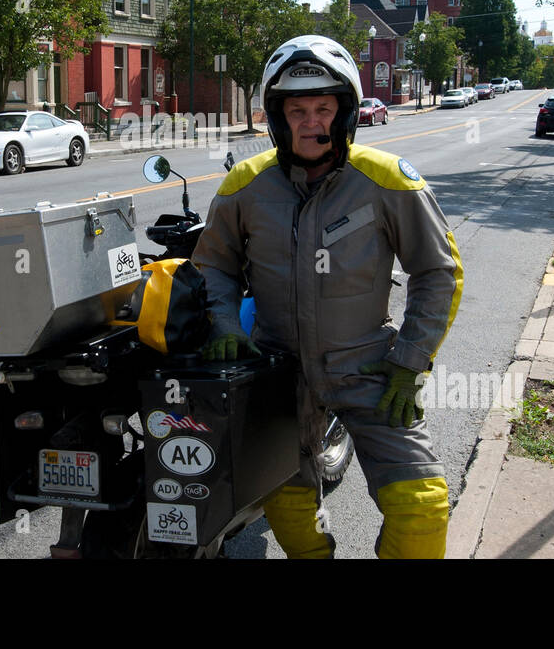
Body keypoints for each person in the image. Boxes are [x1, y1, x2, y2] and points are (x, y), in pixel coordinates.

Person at [192, 34, 464, 559]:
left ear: (345, 113)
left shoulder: (388, 181)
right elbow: (212, 266)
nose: (311, 122)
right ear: (277, 116)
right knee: (285, 498)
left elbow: (439, 272)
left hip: (372, 371)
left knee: (422, 505)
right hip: (277, 372)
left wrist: (410, 361)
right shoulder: (244, 185)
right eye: (298, 110)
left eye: (323, 108)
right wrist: (225, 325)